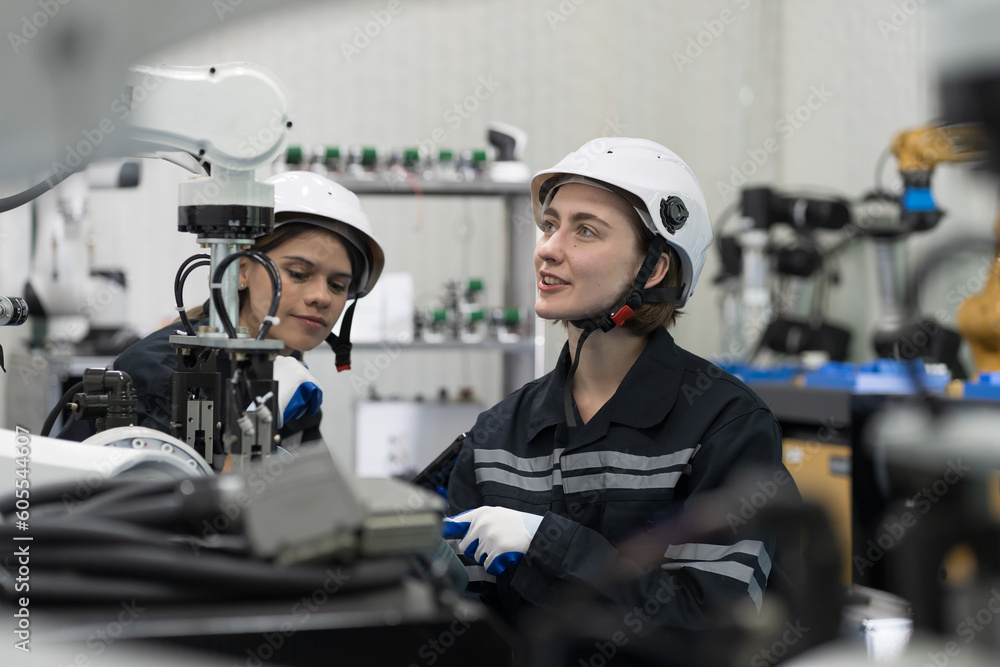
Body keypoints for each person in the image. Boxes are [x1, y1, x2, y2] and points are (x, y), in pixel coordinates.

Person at [444, 138, 798, 645]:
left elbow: (714, 630)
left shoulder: (725, 426)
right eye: (550, 225)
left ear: (653, 267)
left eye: (584, 230)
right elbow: (467, 632)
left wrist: (550, 545)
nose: (547, 247)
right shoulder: (498, 436)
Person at [57, 171, 384, 451]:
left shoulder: (287, 372)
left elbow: (306, 501)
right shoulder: (170, 372)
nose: (321, 297)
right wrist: (255, 422)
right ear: (242, 270)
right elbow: (173, 511)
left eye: (338, 285)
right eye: (298, 273)